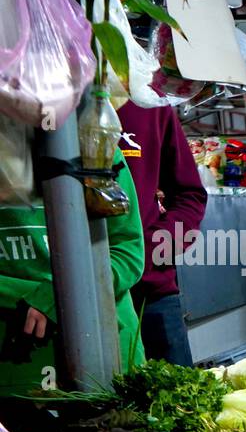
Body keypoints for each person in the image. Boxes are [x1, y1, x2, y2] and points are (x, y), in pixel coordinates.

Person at [0, 147, 146, 397]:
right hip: (18, 361)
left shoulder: (95, 142)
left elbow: (128, 249)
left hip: (109, 352)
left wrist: (61, 293)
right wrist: (33, 296)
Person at [117, 100, 207, 365]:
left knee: (178, 401)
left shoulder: (148, 105)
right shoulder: (47, 102)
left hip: (150, 292)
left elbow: (190, 196)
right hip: (67, 295)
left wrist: (150, 247)